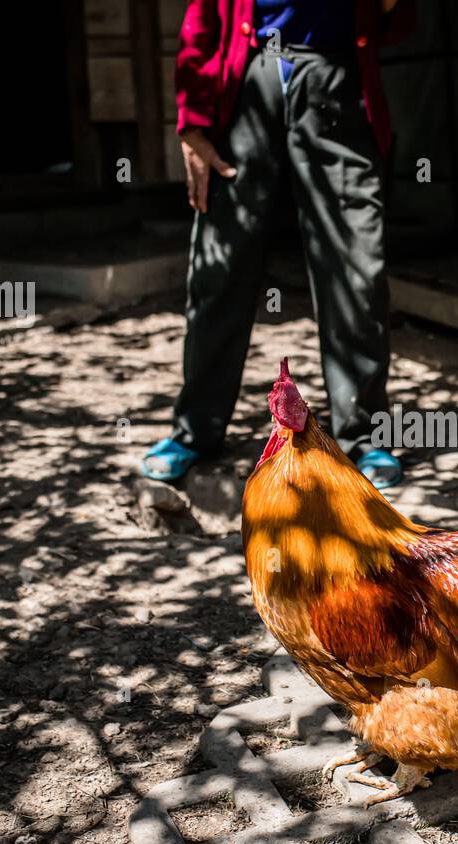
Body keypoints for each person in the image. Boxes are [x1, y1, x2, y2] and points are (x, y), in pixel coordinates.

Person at [142, 0, 414, 489]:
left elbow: (394, 24)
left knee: (357, 269)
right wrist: (193, 121)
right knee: (219, 267)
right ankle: (194, 432)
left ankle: (367, 437)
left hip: (334, 76)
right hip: (246, 79)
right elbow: (201, 21)